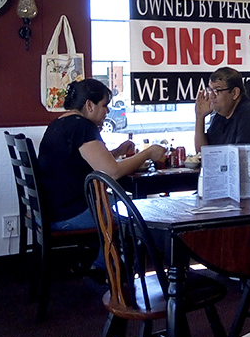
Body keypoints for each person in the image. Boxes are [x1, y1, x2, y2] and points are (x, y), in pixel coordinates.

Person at [38, 77, 165, 232]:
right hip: (70, 214)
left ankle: (108, 256)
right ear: (89, 105)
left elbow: (84, 161)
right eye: (105, 106)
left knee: (121, 204)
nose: (108, 111)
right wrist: (148, 153)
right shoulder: (83, 126)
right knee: (139, 217)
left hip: (50, 211)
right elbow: (112, 172)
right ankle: (106, 257)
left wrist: (118, 152)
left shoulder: (59, 123)